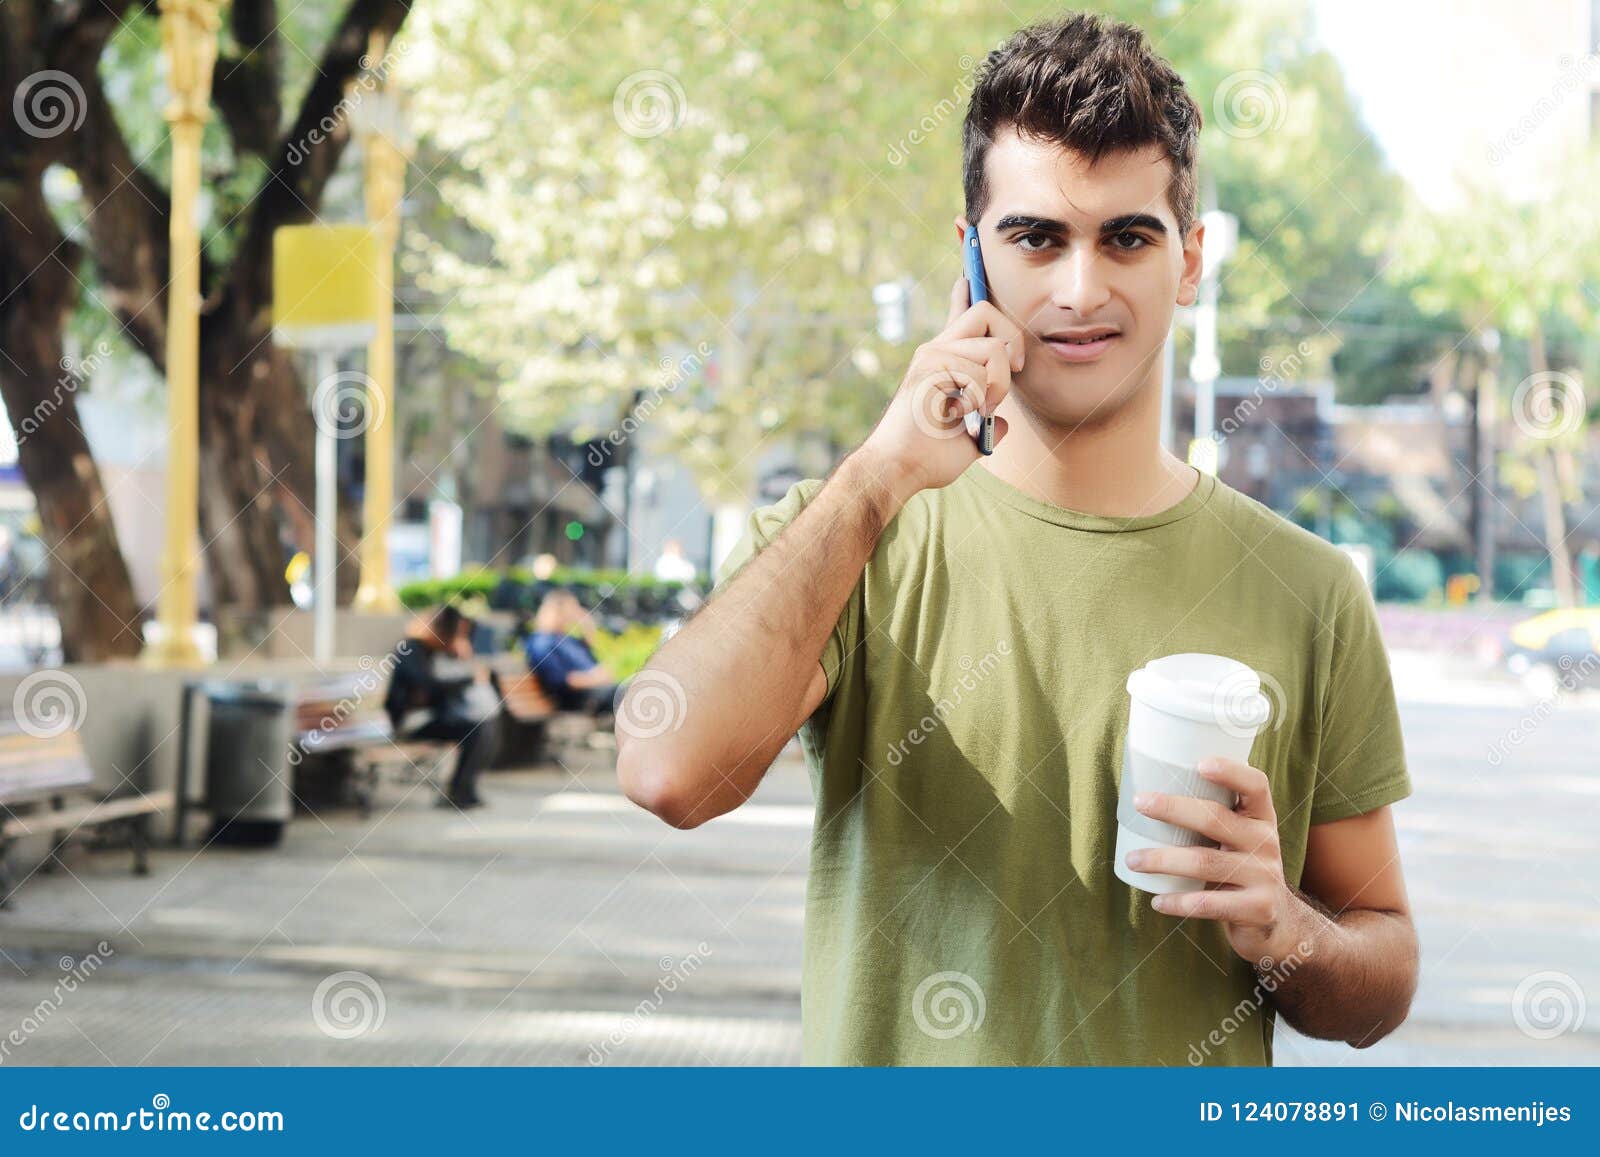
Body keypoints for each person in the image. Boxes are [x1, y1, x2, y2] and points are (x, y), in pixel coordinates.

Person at [617, 12, 1417, 1066]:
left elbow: (1382, 976)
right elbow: (668, 769)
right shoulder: (859, 532)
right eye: (1036, 236)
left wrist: (1283, 926)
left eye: (1126, 236)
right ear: (972, 257)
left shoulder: (1309, 590)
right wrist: (878, 474)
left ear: (1189, 260)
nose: (1079, 289)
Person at [383, 605, 497, 810]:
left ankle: (464, 790)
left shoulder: (434, 652)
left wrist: (463, 656)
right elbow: (428, 685)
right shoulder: (411, 649)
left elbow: (445, 685)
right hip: (411, 722)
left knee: (485, 726)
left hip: (435, 716)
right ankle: (458, 791)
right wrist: (468, 679)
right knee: (476, 730)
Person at [523, 590, 625, 715]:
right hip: (580, 700)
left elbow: (593, 662)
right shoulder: (542, 642)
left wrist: (587, 625)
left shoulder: (567, 639)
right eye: (572, 610)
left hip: (596, 693)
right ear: (557, 611)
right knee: (632, 692)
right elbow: (559, 681)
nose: (575, 615)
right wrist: (596, 679)